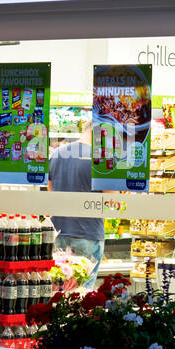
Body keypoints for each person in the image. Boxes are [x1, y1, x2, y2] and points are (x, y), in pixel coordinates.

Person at [49, 118, 105, 289]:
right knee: (82, 293)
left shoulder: (57, 154)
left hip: (59, 232)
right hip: (88, 233)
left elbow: (49, 191)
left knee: (60, 290)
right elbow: (113, 199)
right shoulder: (99, 159)